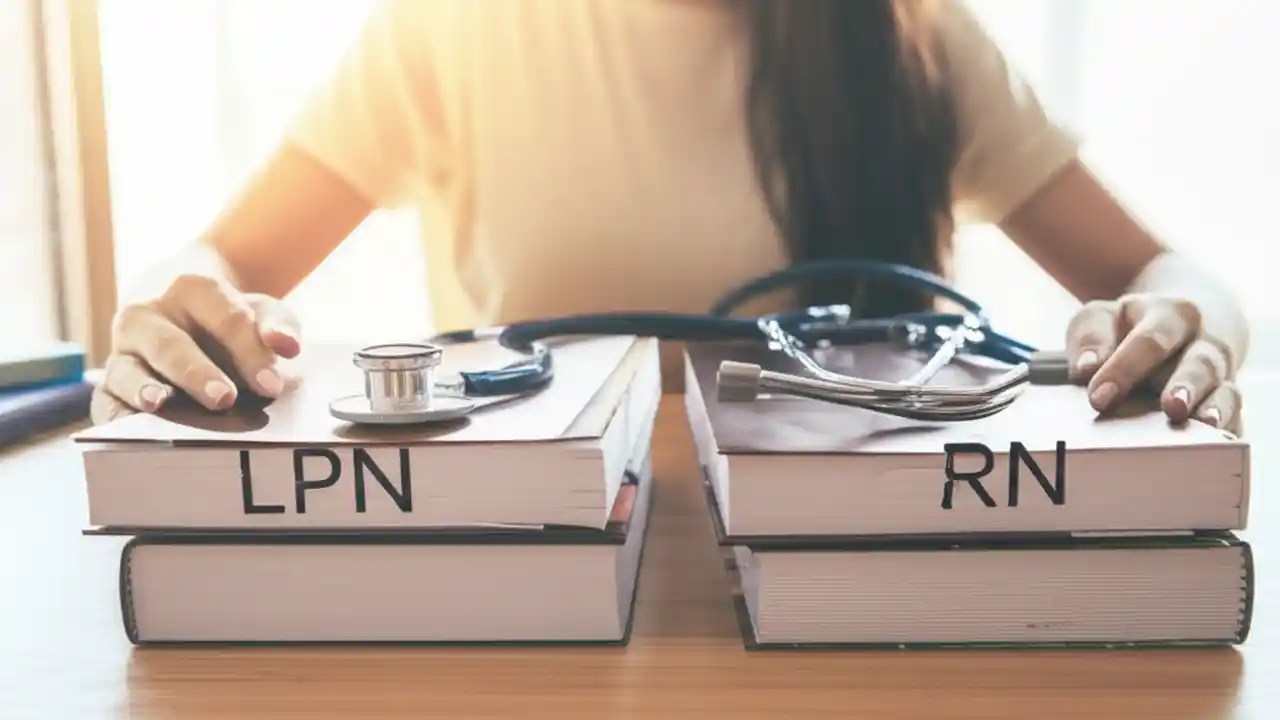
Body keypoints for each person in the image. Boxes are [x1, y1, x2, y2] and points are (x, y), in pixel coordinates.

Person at [91, 0, 1249, 434]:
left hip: (856, 594)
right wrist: (175, 302)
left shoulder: (917, 40)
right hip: (541, 594)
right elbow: (221, 262)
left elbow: (1170, 272)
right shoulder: (448, 31)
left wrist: (1190, 319)